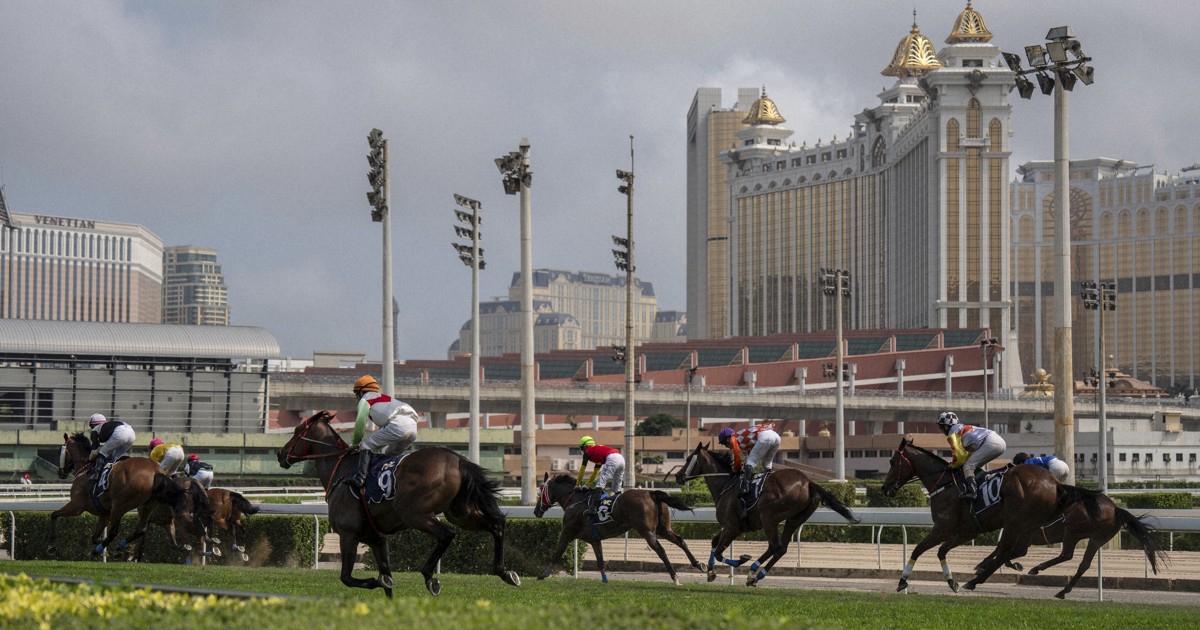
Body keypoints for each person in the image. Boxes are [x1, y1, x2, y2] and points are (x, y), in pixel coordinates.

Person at [349, 375, 420, 488]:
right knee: (389, 454)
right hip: (413, 427)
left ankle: (360, 479)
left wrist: (354, 444)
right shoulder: (384, 399)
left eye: (356, 394)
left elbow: (360, 425)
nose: (357, 397)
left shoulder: (365, 400)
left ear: (361, 392)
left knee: (366, 445)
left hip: (397, 425)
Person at [937, 411, 1007, 500]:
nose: (941, 429)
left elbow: (959, 455)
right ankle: (985, 484)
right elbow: (967, 455)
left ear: (946, 426)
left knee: (968, 466)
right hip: (999, 441)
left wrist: (952, 465)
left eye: (941, 426)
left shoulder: (953, 431)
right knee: (975, 465)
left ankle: (972, 492)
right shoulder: (961, 428)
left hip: (990, 442)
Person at [717, 423, 781, 495]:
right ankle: (773, 482)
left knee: (751, 461)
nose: (726, 446)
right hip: (776, 437)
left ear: (728, 438)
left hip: (765, 437)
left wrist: (736, 469)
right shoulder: (743, 439)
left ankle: (745, 488)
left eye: (724, 443)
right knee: (766, 464)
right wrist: (745, 466)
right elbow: (752, 453)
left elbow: (737, 454)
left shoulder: (733, 438)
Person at [87, 413, 135, 479]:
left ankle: (96, 475)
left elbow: (95, 452)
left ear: (93, 424)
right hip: (132, 434)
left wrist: (89, 459)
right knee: (115, 458)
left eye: (91, 426)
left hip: (120, 433)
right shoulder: (108, 426)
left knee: (102, 453)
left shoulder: (95, 429)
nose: (92, 428)